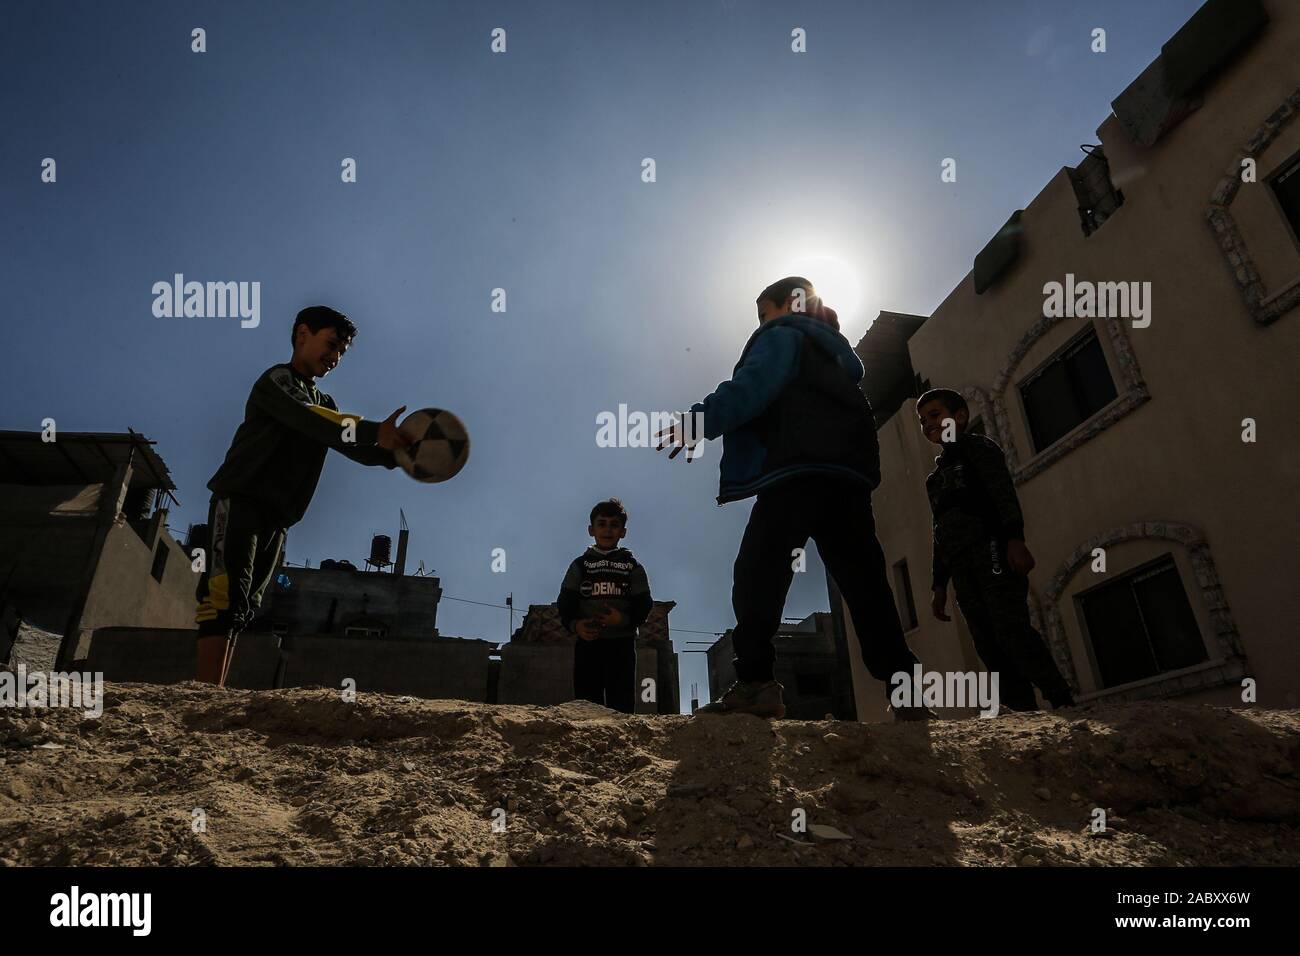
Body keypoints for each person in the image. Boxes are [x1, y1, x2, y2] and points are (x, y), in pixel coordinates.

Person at [658, 277, 927, 721]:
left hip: (798, 472)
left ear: (792, 304)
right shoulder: (837, 357)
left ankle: (757, 684)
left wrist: (698, 422)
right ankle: (908, 693)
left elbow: (752, 386)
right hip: (847, 480)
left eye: (765, 312)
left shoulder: (783, 336)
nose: (762, 323)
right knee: (865, 586)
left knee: (758, 573)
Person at [194, 305, 410, 686]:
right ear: (301, 335)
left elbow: (350, 444)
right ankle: (203, 693)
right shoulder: (277, 381)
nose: (335, 357)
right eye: (331, 344)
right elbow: (312, 420)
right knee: (222, 596)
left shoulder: (327, 405)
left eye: (342, 352)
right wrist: (376, 430)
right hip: (240, 499)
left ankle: (216, 694)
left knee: (245, 608)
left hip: (279, 517)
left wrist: (399, 455)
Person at [917, 387, 1075, 711]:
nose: (928, 424)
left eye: (934, 415)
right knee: (987, 642)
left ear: (960, 416)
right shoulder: (935, 479)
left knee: (1010, 630)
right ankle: (1022, 711)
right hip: (961, 565)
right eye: (922, 421)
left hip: (991, 551)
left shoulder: (979, 449)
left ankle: (1060, 698)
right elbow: (940, 531)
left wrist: (1014, 539)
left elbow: (1002, 493)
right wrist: (938, 584)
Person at [556, 498, 654, 713]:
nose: (607, 530)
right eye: (602, 524)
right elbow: (565, 601)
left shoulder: (632, 566)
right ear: (591, 530)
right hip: (588, 643)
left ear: (623, 532)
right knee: (586, 704)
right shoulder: (581, 565)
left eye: (614, 525)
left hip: (622, 644)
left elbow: (644, 603)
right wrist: (576, 625)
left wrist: (623, 620)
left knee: (621, 703)